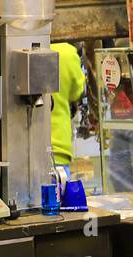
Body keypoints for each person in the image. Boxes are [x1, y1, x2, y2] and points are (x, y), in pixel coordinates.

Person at [50, 43, 86, 181]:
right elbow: (77, 92)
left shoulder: (20, 44)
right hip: (58, 146)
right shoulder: (67, 52)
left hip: (23, 151)